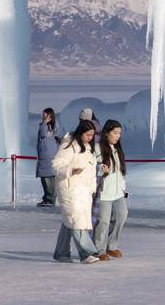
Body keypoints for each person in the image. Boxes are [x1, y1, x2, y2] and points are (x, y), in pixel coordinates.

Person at [52, 119, 101, 263]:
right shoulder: (69, 146)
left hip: (84, 192)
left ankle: (61, 253)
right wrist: (70, 170)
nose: (90, 138)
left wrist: (92, 188)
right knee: (77, 220)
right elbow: (56, 165)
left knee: (70, 221)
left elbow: (91, 171)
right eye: (87, 135)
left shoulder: (88, 149)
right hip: (70, 190)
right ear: (81, 133)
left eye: (92, 135)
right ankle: (87, 253)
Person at [94, 119, 129, 259]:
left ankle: (111, 245)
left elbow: (120, 171)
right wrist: (100, 168)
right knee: (103, 221)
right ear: (107, 133)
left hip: (118, 193)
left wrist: (123, 187)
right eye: (115, 133)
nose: (117, 136)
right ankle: (99, 249)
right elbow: (93, 165)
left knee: (122, 215)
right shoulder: (98, 147)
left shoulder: (117, 149)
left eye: (119, 133)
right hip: (104, 193)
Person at [36, 108, 62, 207]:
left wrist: (44, 123)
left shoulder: (50, 126)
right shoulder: (49, 126)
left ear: (49, 116)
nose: (42, 115)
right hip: (46, 155)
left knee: (48, 179)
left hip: (48, 155)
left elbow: (43, 133)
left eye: (45, 114)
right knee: (46, 178)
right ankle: (48, 198)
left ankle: (50, 199)